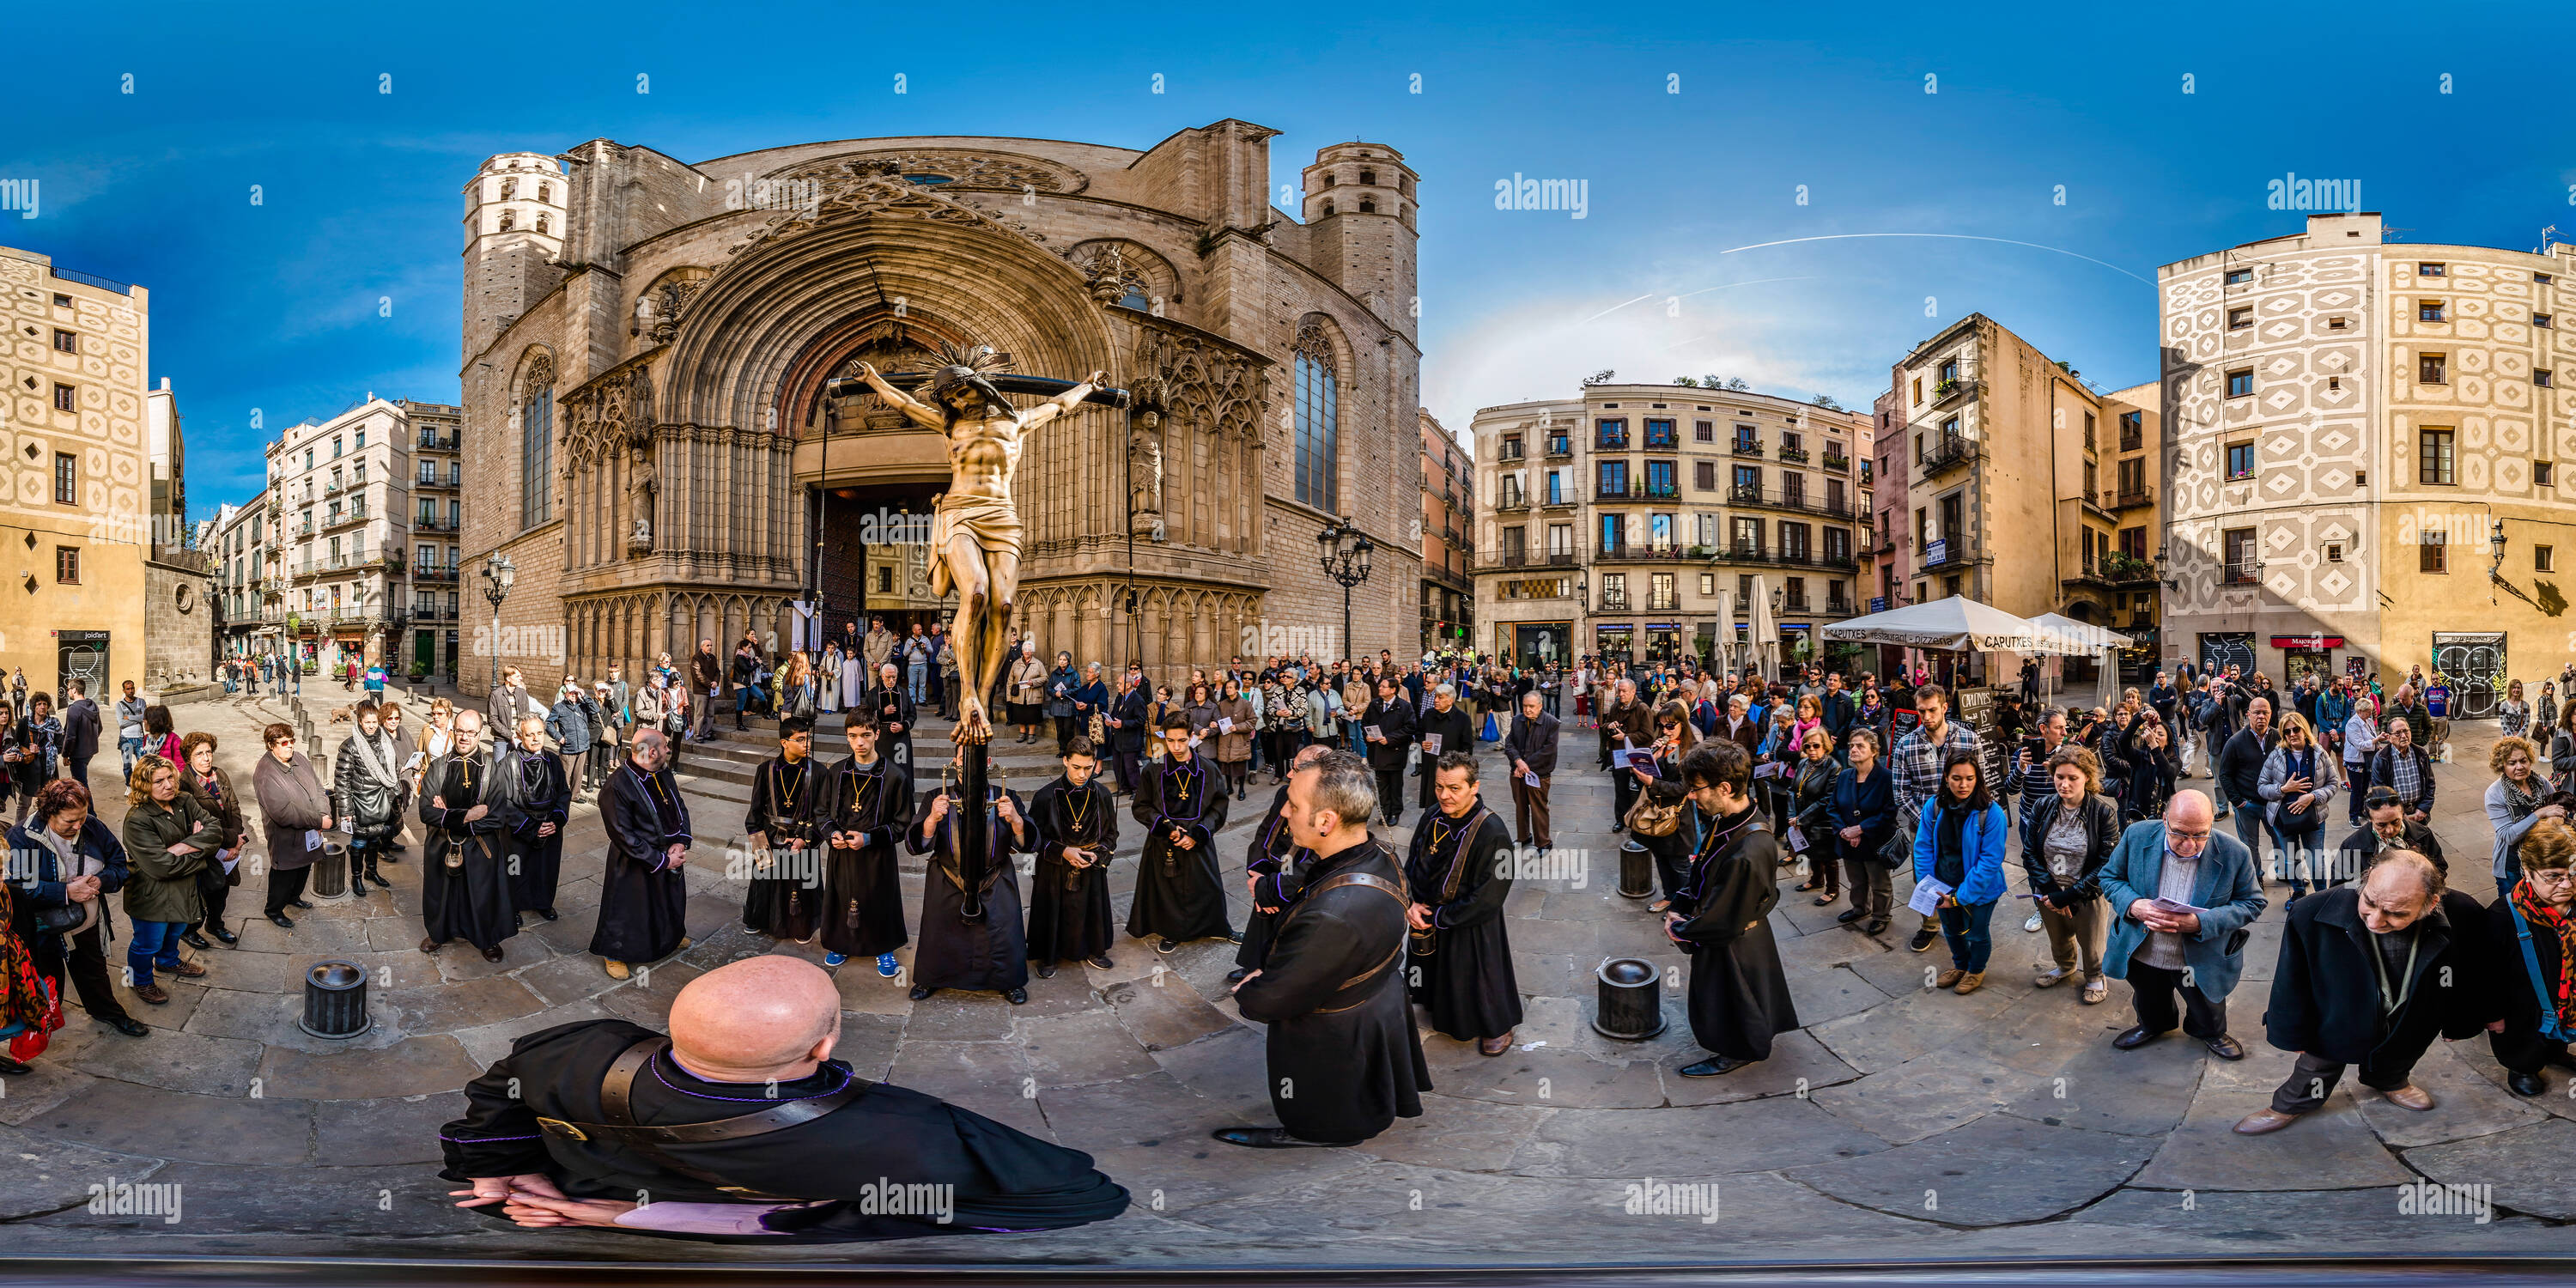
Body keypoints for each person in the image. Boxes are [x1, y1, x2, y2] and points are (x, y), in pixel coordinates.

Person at [438, 956, 1127, 1240]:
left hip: (567, 1181)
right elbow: (1074, 1191)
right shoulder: (898, 1134)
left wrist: (494, 1166)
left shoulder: (578, 1047)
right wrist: (615, 1218)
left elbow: (498, 1093)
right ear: (823, 1051)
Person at [1220, 750, 1430, 1147]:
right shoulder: (1379, 853)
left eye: (1294, 805)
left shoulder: (1333, 914)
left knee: (1326, 1105)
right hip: (1372, 1001)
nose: (1284, 812)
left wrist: (1249, 989)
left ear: (1326, 821)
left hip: (1337, 1029)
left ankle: (1317, 1132)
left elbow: (1271, 999)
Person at [2234, 851, 2491, 1133]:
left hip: (2414, 1014)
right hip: (2339, 1015)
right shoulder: (2310, 911)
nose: (2375, 921)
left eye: (2396, 913)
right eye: (2369, 902)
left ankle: (2390, 1082)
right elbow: (2291, 979)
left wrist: (2463, 1021)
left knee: (2404, 1051)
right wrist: (2293, 1030)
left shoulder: (2464, 913)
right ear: (2366, 880)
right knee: (2318, 1064)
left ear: (2431, 904)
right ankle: (2291, 1103)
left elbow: (2472, 971)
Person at [1663, 740, 1800, 1076]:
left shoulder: (1748, 849)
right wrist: (1681, 902)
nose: (1692, 797)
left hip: (1734, 941)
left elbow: (1722, 919)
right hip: (1734, 929)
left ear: (1724, 788)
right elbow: (1703, 869)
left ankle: (1738, 1051)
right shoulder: (1732, 818)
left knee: (1732, 1000)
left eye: (1696, 789)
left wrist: (1681, 929)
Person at [2099, 791, 2265, 1060]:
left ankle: (2210, 1032)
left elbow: (2253, 903)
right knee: (2149, 997)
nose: (2189, 845)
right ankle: (2153, 1025)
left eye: (2200, 834)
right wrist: (2133, 905)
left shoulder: (2236, 853)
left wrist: (2200, 922)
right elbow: (2110, 877)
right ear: (2164, 819)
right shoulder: (2136, 835)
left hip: (2199, 956)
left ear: (2212, 824)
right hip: (2144, 950)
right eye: (2179, 834)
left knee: (2207, 1007)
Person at [5, 779, 148, 1036]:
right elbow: (20, 889)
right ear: (49, 813)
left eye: (81, 817)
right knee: (48, 982)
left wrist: (100, 880)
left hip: (86, 923)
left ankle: (108, 1012)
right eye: (70, 821)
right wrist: (65, 892)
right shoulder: (23, 836)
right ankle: (40, 1025)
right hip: (44, 930)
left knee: (94, 973)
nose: (78, 825)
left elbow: (120, 864)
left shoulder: (92, 826)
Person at [1403, 752, 1522, 1057]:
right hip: (1429, 914)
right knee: (1437, 977)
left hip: (1471, 923)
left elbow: (1491, 897)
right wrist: (1411, 901)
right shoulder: (1432, 815)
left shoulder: (1494, 832)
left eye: (1454, 788)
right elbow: (1414, 858)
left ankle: (1497, 1025)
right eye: (1440, 787)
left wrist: (1443, 915)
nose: (1445, 795)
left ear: (1474, 787)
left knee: (1479, 978)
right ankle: (1442, 1008)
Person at [906, 761, 1032, 1004]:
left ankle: (1008, 981)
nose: (968, 764)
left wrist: (1016, 820)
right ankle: (932, 978)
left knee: (1001, 932)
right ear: (955, 763)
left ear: (987, 762)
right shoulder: (936, 796)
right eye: (963, 758)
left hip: (995, 877)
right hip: (947, 877)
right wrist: (932, 818)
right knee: (939, 931)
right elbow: (915, 846)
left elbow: (1029, 844)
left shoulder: (1007, 796)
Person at [2020, 745, 2121, 1005]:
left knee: (2091, 941)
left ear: (2087, 777)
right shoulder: (2043, 806)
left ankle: (2095, 976)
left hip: (2085, 893)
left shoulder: (2102, 813)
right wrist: (2050, 891)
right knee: (2058, 936)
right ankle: (2065, 967)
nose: (2064, 784)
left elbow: (2106, 864)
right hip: (2048, 891)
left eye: (2072, 778)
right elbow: (2029, 852)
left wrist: (2070, 896)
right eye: (2059, 777)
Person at [1128, 714, 1236, 955]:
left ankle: (1216, 927)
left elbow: (1219, 806)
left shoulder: (1209, 769)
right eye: (1170, 741)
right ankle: (1172, 931)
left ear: (1192, 738)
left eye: (1182, 741)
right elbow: (1141, 806)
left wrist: (1198, 833)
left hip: (1197, 841)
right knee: (1167, 890)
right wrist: (1166, 829)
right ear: (1164, 739)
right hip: (1164, 843)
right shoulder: (1153, 769)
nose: (1176, 747)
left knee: (1207, 886)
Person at [417, 711, 519, 963]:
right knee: (442, 893)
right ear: (453, 731)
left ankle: (486, 938)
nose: (465, 737)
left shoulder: (492, 770)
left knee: (482, 895)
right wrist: (468, 815)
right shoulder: (438, 767)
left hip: (480, 847)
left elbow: (496, 816)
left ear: (480, 734)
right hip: (442, 845)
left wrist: (449, 815)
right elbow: (426, 811)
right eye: (460, 731)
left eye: (471, 732)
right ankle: (439, 933)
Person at [591, 729, 693, 980]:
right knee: (628, 910)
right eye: (666, 746)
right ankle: (614, 953)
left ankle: (669, 938)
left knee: (667, 902)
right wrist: (662, 861)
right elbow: (623, 835)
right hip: (634, 860)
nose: (669, 750)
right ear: (653, 751)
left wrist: (680, 841)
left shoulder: (662, 772)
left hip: (669, 853)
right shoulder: (617, 786)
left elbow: (678, 805)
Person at [118, 754, 219, 1005]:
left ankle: (168, 961)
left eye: (170, 777)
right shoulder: (138, 820)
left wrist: (184, 846)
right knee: (147, 943)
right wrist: (200, 851)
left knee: (175, 931)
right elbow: (162, 867)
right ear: (144, 786)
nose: (169, 785)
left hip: (183, 889)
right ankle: (139, 979)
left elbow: (214, 830)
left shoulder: (184, 800)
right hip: (151, 895)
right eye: (159, 781)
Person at [2486, 818, 2576, 1097]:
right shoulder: (2502, 917)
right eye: (2553, 876)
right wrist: (2492, 1014)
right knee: (2524, 1041)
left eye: (2573, 874)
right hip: (2521, 1005)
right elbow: (2486, 974)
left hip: (2564, 996)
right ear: (2527, 870)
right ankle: (2523, 1068)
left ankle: (2556, 1051)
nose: (2566, 885)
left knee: (2555, 1035)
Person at [1892, 684, 1981, 955]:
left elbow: (1982, 784)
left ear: (1944, 707)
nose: (1927, 716)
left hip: (1964, 825)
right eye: (1922, 711)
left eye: (1932, 710)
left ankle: (1966, 924)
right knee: (1926, 878)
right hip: (1923, 828)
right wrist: (1930, 823)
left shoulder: (1968, 739)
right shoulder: (1906, 744)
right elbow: (1901, 793)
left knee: (1965, 873)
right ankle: (1930, 926)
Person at [1912, 749, 2009, 995]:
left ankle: (1976, 970)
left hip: (1980, 888)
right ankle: (1960, 966)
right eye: (1956, 778)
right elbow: (1922, 847)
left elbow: (1990, 860)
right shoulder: (1933, 807)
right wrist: (1930, 886)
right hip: (1942, 884)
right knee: (1951, 930)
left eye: (1969, 778)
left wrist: (1959, 897)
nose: (1963, 784)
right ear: (1946, 777)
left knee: (1977, 933)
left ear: (1978, 778)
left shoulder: (1991, 813)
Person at [1027, 737, 1119, 979]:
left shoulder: (1102, 794)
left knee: (1091, 912)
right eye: (1076, 767)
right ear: (1066, 761)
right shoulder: (1046, 796)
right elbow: (1033, 839)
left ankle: (1094, 949)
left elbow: (1111, 834)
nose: (1082, 774)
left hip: (1091, 866)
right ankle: (1050, 954)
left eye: (1088, 768)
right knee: (1054, 912)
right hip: (1055, 871)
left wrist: (1097, 855)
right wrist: (1063, 852)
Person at [744, 714, 826, 945]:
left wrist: (806, 841)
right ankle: (759, 919)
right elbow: (755, 813)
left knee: (799, 884)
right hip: (770, 836)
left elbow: (823, 813)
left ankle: (801, 925)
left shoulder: (818, 772)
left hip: (803, 836)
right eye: (800, 739)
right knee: (766, 880)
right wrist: (761, 850)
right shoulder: (765, 770)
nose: (807, 744)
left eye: (808, 739)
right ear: (784, 742)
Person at [251, 722, 330, 930]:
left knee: (304, 867)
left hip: (309, 832)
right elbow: (283, 813)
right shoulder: (265, 774)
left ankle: (294, 897)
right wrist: (319, 821)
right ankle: (274, 909)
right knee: (284, 873)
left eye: (292, 741)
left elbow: (319, 788)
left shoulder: (299, 759)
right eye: (284, 743)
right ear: (270, 745)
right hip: (285, 837)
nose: (290, 746)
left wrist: (323, 812)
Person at [2259, 712, 2342, 905]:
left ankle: (2321, 896)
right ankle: (2298, 893)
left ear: (2304, 729)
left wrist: (2312, 797)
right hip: (2284, 819)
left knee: (2316, 861)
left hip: (2313, 816)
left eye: (2296, 729)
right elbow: (2262, 786)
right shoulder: (2277, 755)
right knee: (2290, 859)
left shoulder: (2319, 753)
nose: (2292, 734)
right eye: (2287, 731)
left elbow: (2334, 782)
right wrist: (2283, 789)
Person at [173, 734, 246, 948]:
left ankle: (215, 925)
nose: (206, 758)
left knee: (222, 890)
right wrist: (233, 839)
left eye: (208, 752)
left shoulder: (220, 775)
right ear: (189, 758)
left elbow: (234, 807)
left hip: (230, 845)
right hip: (206, 848)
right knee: (202, 891)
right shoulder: (184, 785)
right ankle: (189, 930)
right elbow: (197, 825)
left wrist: (237, 840)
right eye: (199, 754)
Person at [1828, 729, 1899, 936]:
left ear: (1874, 751)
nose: (1854, 750)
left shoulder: (1886, 778)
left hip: (1875, 841)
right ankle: (1860, 908)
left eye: (1860, 746)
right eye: (1851, 746)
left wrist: (1859, 829)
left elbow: (1889, 812)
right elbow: (1833, 807)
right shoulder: (1845, 776)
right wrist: (1844, 831)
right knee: (1856, 880)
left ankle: (1881, 916)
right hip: (1849, 841)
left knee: (1880, 883)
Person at [504, 714, 572, 923]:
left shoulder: (552, 760)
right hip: (519, 829)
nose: (536, 739)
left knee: (546, 868)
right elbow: (503, 801)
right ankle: (512, 906)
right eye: (530, 734)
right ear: (519, 736)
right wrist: (531, 827)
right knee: (514, 869)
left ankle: (543, 902)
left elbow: (563, 793)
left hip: (550, 826)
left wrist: (555, 821)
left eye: (540, 733)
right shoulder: (509, 763)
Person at [333, 702, 404, 900]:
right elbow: (342, 780)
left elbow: (392, 767)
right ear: (360, 722)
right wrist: (346, 811)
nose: (372, 726)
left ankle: (371, 871)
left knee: (375, 838)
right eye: (368, 722)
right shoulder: (351, 746)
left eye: (374, 722)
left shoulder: (385, 740)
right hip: (361, 802)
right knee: (359, 841)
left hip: (382, 800)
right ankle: (357, 877)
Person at [2487, 735, 2568, 902]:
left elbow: (2558, 810)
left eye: (2523, 761)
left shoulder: (2541, 782)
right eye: (2512, 763)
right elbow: (2509, 836)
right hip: (2512, 865)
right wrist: (2540, 814)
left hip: (2542, 860)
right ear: (2502, 766)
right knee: (2514, 911)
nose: (2520, 767)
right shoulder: (2495, 793)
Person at [2336, 786, 2449, 889]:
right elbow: (2339, 888)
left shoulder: (2423, 834)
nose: (2390, 830)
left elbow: (2440, 869)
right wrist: (2367, 883)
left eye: (2396, 822)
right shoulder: (2352, 846)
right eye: (2381, 825)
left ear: (2403, 814)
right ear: (2370, 819)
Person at [1504, 690, 1558, 853]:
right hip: (1517, 772)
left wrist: (1525, 765)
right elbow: (1509, 743)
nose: (1527, 710)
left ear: (1540, 706)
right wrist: (1518, 761)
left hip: (1538, 774)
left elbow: (1548, 750)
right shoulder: (1517, 720)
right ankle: (1523, 837)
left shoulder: (1551, 723)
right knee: (1520, 806)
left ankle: (1544, 843)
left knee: (1538, 809)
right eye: (1525, 706)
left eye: (1531, 706)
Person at [2370, 716, 2438, 828]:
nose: (2403, 736)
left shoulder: (2421, 754)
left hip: (2419, 813)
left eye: (2406, 731)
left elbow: (2430, 783)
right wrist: (2398, 813)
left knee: (2421, 843)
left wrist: (2423, 808)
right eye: (2398, 733)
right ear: (2389, 737)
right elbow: (2380, 791)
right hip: (2395, 817)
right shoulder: (2382, 758)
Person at [863, 663, 917, 784]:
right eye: (888, 677)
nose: (891, 680)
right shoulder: (872, 694)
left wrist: (903, 726)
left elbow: (912, 714)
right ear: (882, 676)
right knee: (881, 768)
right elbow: (865, 716)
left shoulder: (903, 693)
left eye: (894, 677)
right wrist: (882, 712)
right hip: (881, 738)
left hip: (900, 739)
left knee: (901, 769)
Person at [1214, 677, 1257, 802]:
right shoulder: (1222, 704)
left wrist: (1237, 727)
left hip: (1239, 741)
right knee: (1226, 766)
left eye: (1230, 687)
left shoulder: (1245, 704)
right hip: (1225, 740)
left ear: (1237, 689)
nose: (1228, 690)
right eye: (1226, 688)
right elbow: (1217, 719)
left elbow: (1252, 721)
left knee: (1240, 767)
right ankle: (1229, 788)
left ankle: (1242, 789)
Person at [2342, 695, 2382, 826]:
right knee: (2356, 789)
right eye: (2368, 711)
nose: (2371, 713)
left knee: (2364, 787)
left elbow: (2371, 737)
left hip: (2368, 760)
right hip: (2355, 760)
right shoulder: (2352, 724)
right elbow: (2359, 744)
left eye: (2371, 711)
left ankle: (2361, 810)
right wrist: (2377, 740)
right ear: (2360, 711)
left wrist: (2377, 745)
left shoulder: (2369, 721)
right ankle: (2353, 816)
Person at [58, 680, 98, 790]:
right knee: (81, 782)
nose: (68, 692)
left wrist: (65, 754)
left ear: (74, 690)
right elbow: (99, 728)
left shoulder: (74, 709)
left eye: (68, 689)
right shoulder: (93, 705)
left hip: (78, 753)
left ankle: (89, 808)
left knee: (80, 785)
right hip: (90, 750)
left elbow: (70, 736)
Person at [489, 666, 537, 751]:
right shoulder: (496, 694)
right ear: (508, 678)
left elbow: (526, 716)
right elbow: (492, 720)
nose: (521, 678)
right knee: (499, 764)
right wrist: (510, 735)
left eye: (520, 676)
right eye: (517, 676)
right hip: (502, 739)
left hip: (520, 738)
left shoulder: (522, 693)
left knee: (519, 764)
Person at [689, 641, 725, 744]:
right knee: (700, 714)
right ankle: (698, 735)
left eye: (711, 645)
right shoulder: (696, 658)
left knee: (710, 713)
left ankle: (707, 733)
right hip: (701, 691)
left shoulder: (712, 657)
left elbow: (717, 671)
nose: (710, 647)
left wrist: (716, 682)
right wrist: (710, 684)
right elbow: (698, 675)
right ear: (702, 646)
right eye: (707, 645)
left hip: (711, 690)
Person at [114, 681, 147, 781]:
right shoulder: (119, 705)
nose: (131, 691)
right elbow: (122, 724)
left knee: (143, 764)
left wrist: (128, 717)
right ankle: (129, 784)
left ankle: (142, 784)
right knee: (127, 765)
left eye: (132, 688)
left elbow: (145, 717)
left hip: (140, 738)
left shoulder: (141, 702)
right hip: (126, 739)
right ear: (124, 690)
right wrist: (138, 719)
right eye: (128, 689)